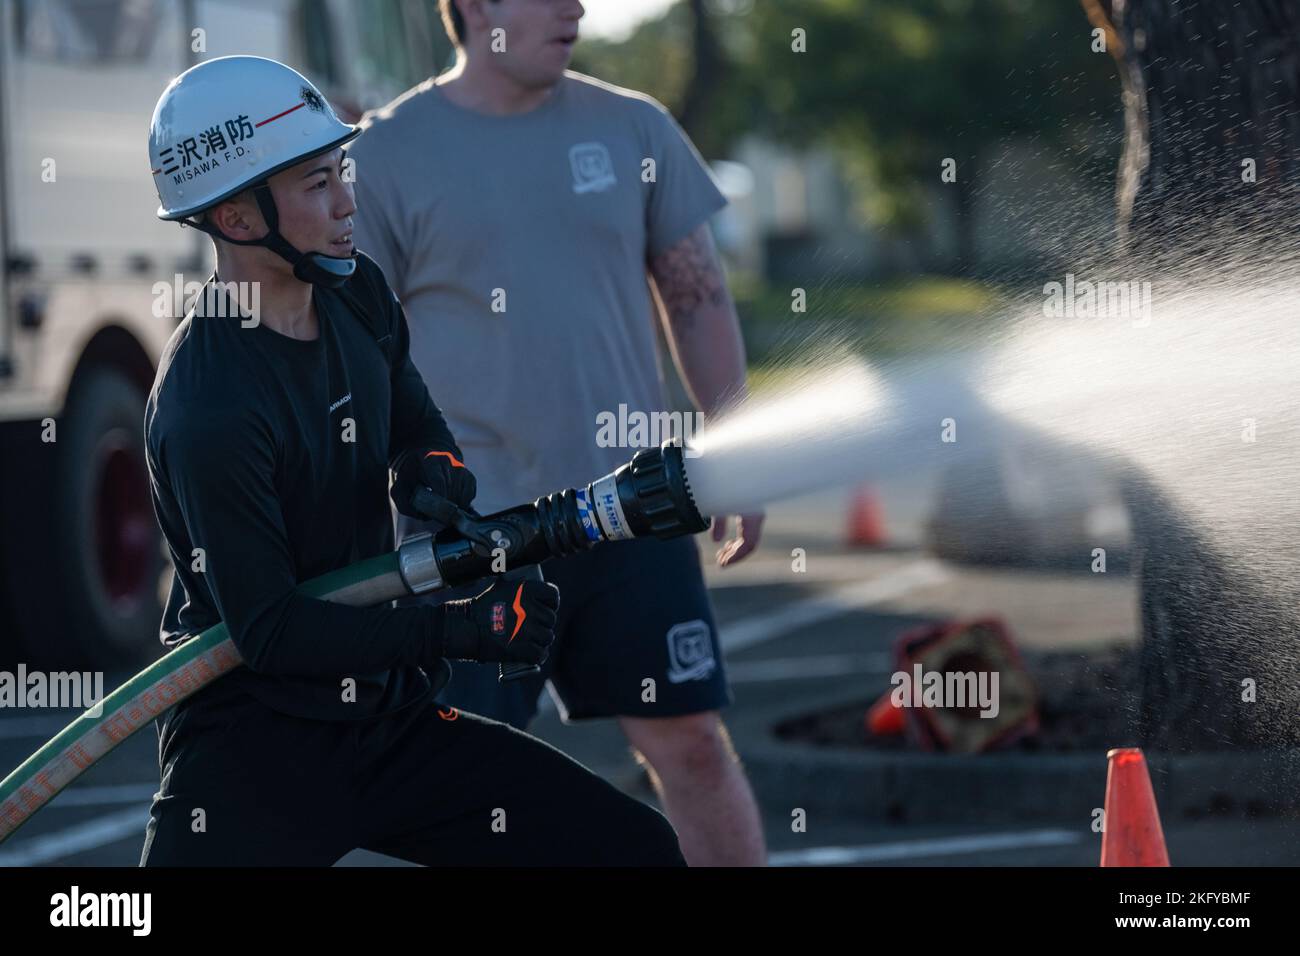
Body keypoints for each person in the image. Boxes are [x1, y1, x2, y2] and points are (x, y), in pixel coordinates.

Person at [139, 54, 684, 866]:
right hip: (256, 748)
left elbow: (412, 415)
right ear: (241, 219)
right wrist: (464, 628)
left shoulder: (353, 289)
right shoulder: (208, 407)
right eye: (317, 185)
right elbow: (273, 633)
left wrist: (432, 470)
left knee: (632, 850)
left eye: (341, 172)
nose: (348, 202)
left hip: (388, 724)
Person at [348, 0, 766, 865]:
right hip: (469, 540)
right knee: (463, 785)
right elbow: (355, 354)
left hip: (631, 510)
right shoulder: (382, 156)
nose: (576, 6)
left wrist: (737, 446)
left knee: (691, 746)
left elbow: (698, 299)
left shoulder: (634, 128)